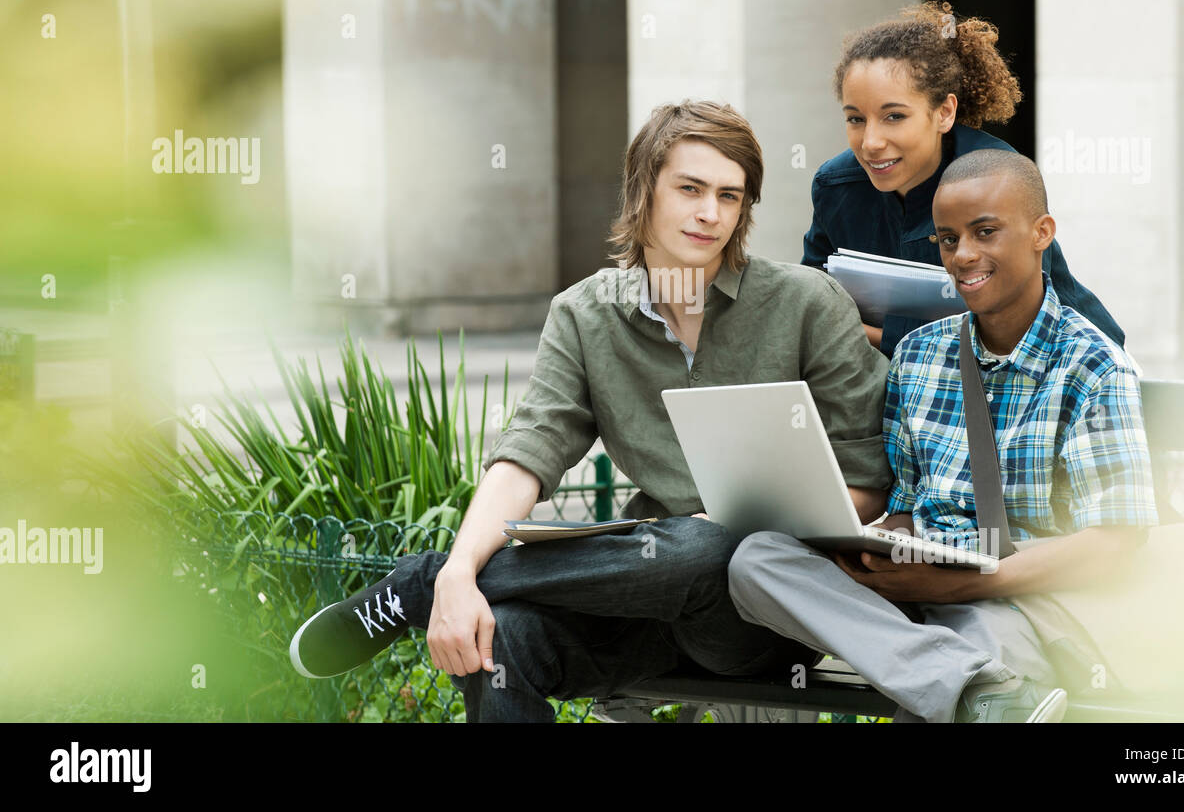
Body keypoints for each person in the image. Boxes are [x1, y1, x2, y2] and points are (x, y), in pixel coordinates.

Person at [288, 100, 895, 721]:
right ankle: (437, 581)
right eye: (690, 189)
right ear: (643, 191)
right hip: (641, 606)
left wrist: (742, 522)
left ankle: (413, 585)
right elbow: (529, 451)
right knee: (506, 638)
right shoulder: (584, 314)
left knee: (711, 545)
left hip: (767, 612)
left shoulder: (806, 303)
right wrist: (462, 572)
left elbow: (869, 482)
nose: (710, 213)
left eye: (730, 196)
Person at [729, 149, 1160, 722]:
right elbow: (907, 503)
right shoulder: (917, 353)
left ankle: (963, 682)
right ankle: (967, 683)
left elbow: (1115, 545)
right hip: (912, 589)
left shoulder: (1095, 368)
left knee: (963, 671)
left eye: (985, 233)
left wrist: (962, 585)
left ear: (1041, 233)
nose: (963, 256)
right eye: (948, 239)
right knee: (757, 560)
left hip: (1014, 600)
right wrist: (879, 548)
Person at [802, 0, 1124, 358]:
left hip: (1056, 373)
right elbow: (814, 304)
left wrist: (871, 334)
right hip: (911, 385)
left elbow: (1009, 321)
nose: (871, 142)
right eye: (855, 119)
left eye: (894, 116)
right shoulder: (835, 186)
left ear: (944, 112)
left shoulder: (995, 179)